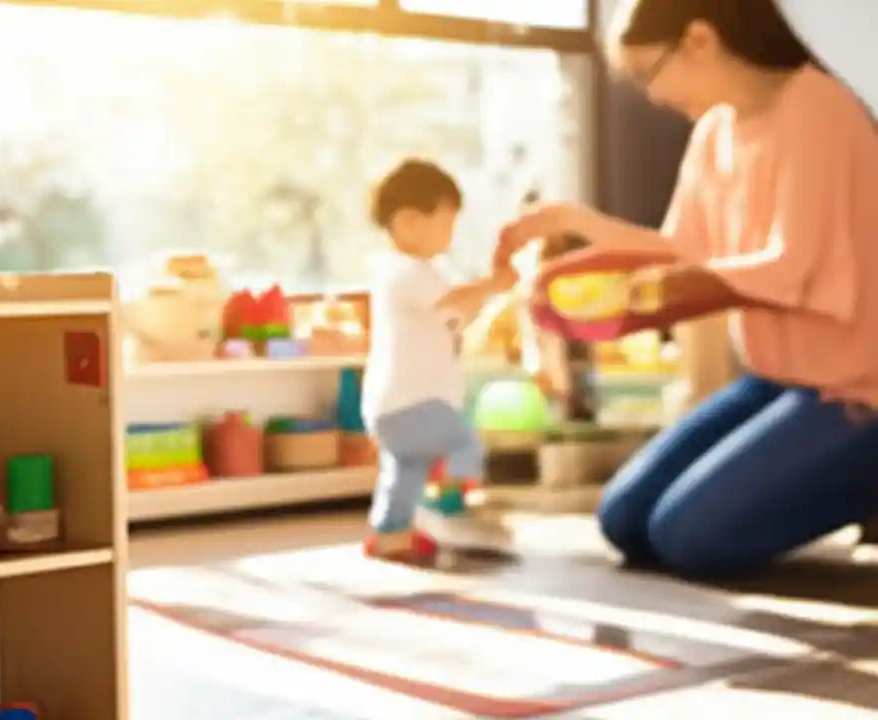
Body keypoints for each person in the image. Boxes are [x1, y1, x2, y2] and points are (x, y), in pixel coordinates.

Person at [495, 0, 878, 578]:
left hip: (854, 389)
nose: (652, 94)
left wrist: (659, 292)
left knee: (686, 538)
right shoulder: (714, 132)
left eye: (650, 71)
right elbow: (685, 248)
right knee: (623, 519)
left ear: (700, 39)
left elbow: (788, 268)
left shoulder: (819, 107)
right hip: (776, 379)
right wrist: (577, 229)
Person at [362, 159, 516, 559]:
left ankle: (389, 535)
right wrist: (494, 284)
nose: (451, 235)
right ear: (410, 222)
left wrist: (488, 300)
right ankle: (448, 513)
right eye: (446, 224)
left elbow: (455, 314)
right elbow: (452, 301)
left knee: (405, 472)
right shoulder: (404, 271)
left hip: (394, 403)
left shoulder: (416, 273)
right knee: (463, 442)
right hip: (414, 400)